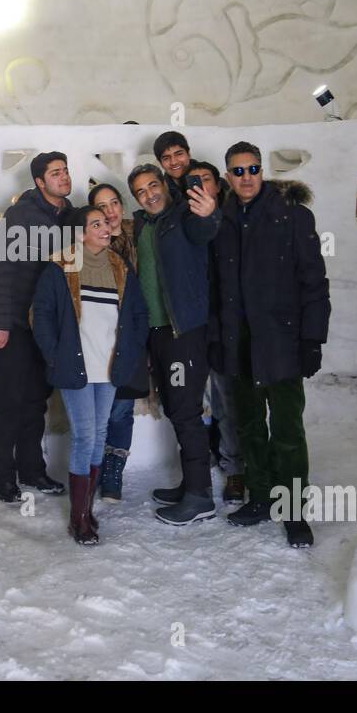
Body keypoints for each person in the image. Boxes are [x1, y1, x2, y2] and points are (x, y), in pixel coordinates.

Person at [209, 143, 330, 548]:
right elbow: (213, 285)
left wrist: (312, 340)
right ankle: (260, 498)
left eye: (253, 169)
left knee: (287, 430)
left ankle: (293, 509)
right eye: (238, 171)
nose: (246, 177)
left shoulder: (292, 216)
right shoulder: (221, 218)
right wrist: (217, 340)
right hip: (238, 343)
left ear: (263, 170)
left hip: (281, 342)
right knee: (249, 427)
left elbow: (314, 282)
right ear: (228, 176)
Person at [32, 206, 148, 544]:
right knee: (84, 436)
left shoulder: (120, 267)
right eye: (95, 223)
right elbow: (41, 315)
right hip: (76, 368)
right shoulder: (60, 267)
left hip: (110, 367)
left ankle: (86, 509)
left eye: (105, 222)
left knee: (99, 434)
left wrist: (132, 348)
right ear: (80, 232)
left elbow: (138, 313)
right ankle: (77, 518)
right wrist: (56, 356)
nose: (104, 227)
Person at [127, 163, 222, 525]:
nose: (149, 194)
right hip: (158, 333)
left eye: (153, 185)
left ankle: (200, 497)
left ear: (165, 185)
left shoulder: (184, 215)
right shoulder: (143, 226)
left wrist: (208, 213)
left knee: (186, 412)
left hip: (185, 333)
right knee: (174, 407)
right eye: (140, 190)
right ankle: (191, 485)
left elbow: (205, 229)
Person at [0, 152, 74, 502]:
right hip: (16, 323)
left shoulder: (70, 214)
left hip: (46, 326)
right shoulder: (20, 214)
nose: (63, 177)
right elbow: (1, 270)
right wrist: (1, 325)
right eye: (55, 173)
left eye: (65, 171)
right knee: (10, 400)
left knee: (37, 400)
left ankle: (32, 470)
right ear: (40, 182)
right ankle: (3, 475)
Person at [186, 160, 245, 506]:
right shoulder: (183, 221)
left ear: (219, 186)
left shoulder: (232, 221)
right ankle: (203, 460)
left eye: (206, 179)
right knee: (197, 401)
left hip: (225, 326)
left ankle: (235, 469)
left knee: (226, 401)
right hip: (194, 325)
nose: (201, 185)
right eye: (195, 182)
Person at [88, 183, 143, 502]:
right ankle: (93, 468)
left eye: (114, 203)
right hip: (98, 340)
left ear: (122, 206)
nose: (110, 211)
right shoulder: (91, 245)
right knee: (98, 412)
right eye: (101, 205)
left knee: (121, 410)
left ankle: (113, 471)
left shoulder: (142, 236)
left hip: (132, 335)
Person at [153, 130, 195, 195]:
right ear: (160, 163)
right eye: (166, 158)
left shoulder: (207, 176)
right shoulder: (161, 191)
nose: (174, 162)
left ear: (188, 154)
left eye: (179, 154)